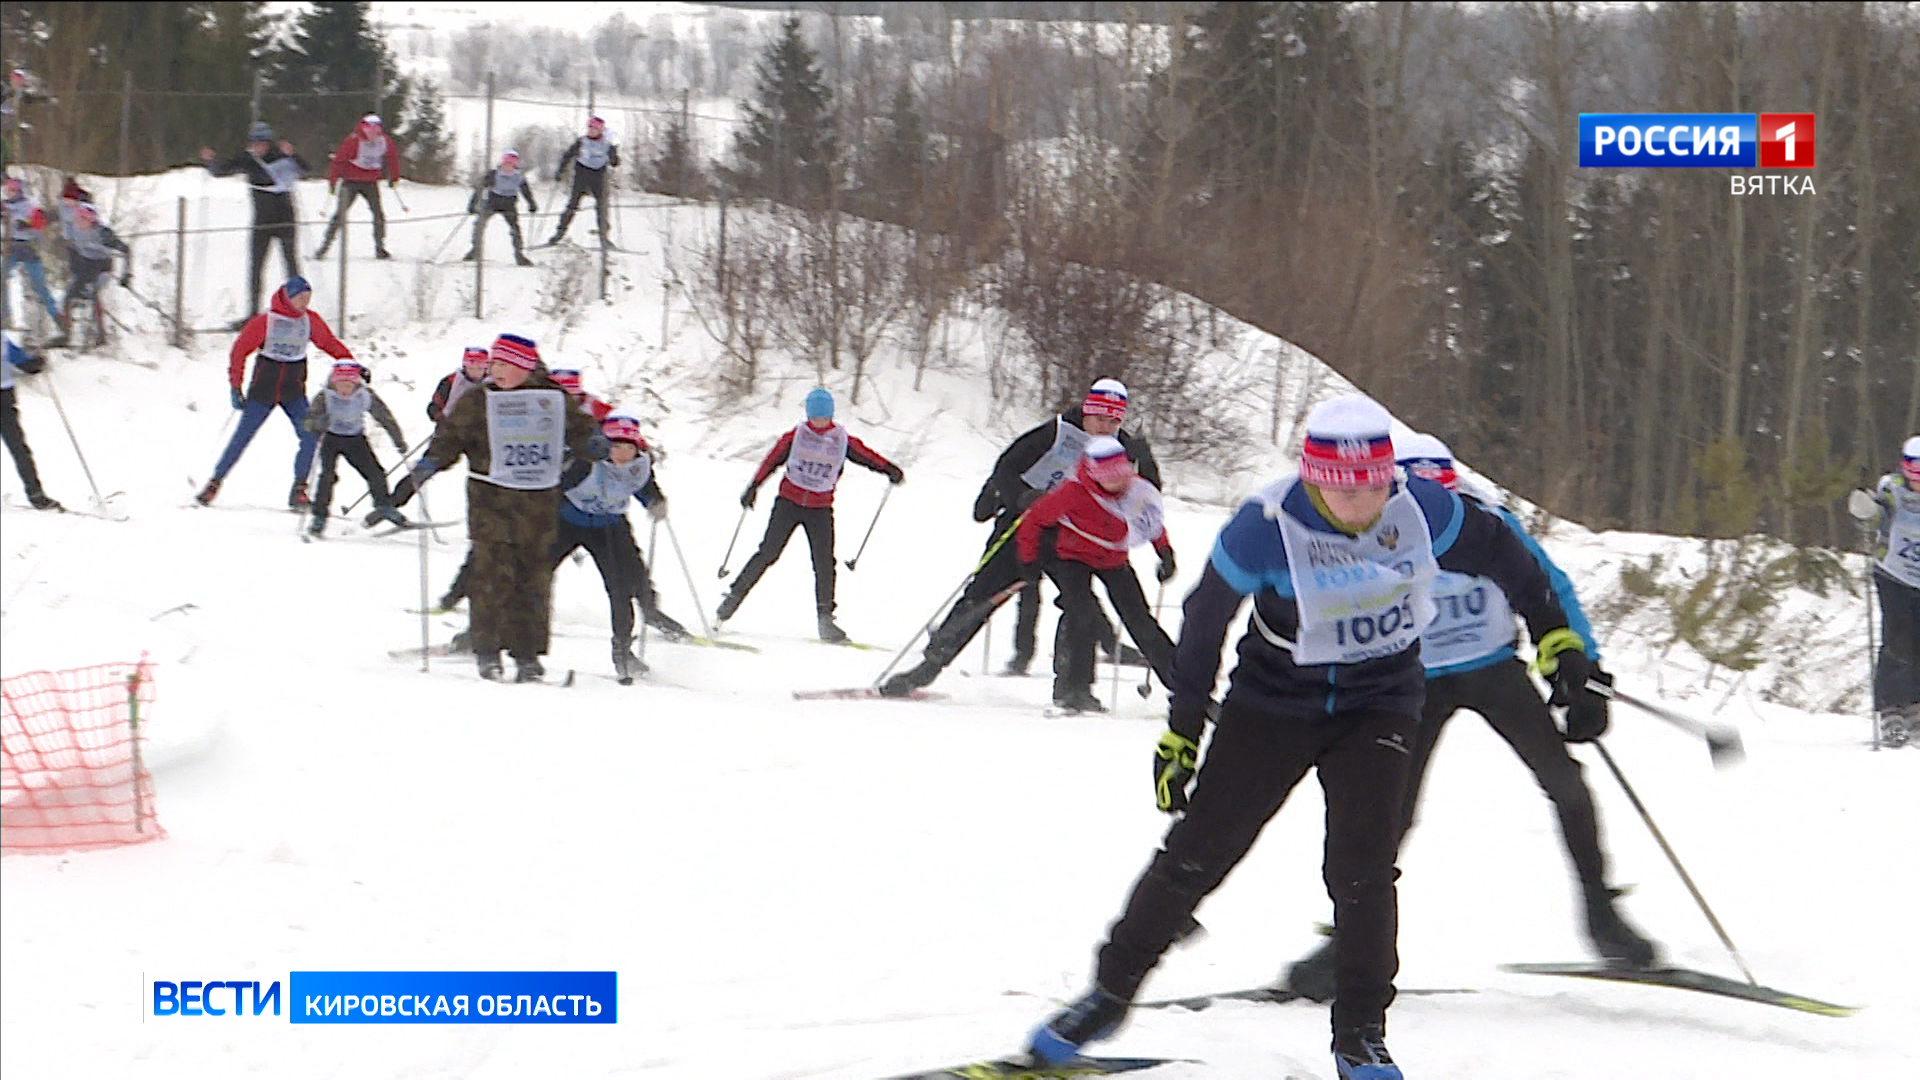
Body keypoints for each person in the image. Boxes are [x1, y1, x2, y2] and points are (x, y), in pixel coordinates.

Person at [1026, 395, 1600, 1080]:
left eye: (1371, 486)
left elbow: (1518, 564)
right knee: (1200, 850)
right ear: (1310, 477)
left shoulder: (1426, 510)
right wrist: (1182, 734)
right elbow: (1205, 627)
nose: (1358, 502)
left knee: (1363, 868)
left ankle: (1361, 1032)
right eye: (1337, 486)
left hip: (1379, 702)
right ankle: (1109, 993)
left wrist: (1561, 648)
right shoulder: (1265, 526)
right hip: (1274, 703)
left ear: (1391, 476)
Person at [1282, 432, 1654, 1005]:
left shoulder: (1485, 518)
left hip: (1494, 669)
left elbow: (1548, 585)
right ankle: (1345, 946)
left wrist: (1579, 665)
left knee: (1567, 784)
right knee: (1389, 812)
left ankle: (1603, 916)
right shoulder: (1371, 524)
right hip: (1416, 680)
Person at [881, 378, 1156, 697]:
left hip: (1071, 535)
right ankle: (928, 667)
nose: (1105, 428)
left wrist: (1146, 462)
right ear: (1086, 411)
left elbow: (1145, 495)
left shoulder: (1120, 447)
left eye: (1114, 421)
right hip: (1023, 524)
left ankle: (1073, 688)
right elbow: (1006, 468)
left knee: (1080, 605)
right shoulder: (1055, 432)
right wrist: (1021, 497)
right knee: (982, 595)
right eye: (1100, 419)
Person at [400, 333, 603, 682]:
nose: (497, 371)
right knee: (490, 577)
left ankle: (527, 655)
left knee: (534, 581)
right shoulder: (478, 400)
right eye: (494, 364)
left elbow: (580, 430)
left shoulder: (552, 399)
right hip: (490, 504)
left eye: (505, 365)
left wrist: (593, 443)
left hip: (538, 505)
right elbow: (451, 438)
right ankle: (487, 651)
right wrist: (429, 465)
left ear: (525, 368)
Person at [716, 387, 904, 644]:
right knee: (768, 553)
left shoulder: (841, 439)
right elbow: (772, 460)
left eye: (823, 418)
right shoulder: (796, 436)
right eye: (815, 418)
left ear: (830, 416)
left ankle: (826, 619)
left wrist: (888, 469)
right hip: (788, 503)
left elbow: (865, 456)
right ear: (808, 416)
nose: (819, 423)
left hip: (820, 507)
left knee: (824, 562)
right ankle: (731, 601)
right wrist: (754, 486)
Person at [1015, 436, 1178, 712]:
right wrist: (1028, 561)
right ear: (1092, 473)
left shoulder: (1134, 490)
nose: (1117, 482)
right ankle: (1075, 689)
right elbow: (1034, 520)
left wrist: (1164, 552)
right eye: (1108, 476)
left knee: (1140, 621)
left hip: (1114, 559)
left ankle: (1184, 686)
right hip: (1073, 558)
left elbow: (1148, 521)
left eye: (1121, 474)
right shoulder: (1072, 492)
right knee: (1083, 617)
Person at [196, 276, 353, 510]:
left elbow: (329, 344)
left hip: (293, 391)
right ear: (288, 297)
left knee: (310, 435)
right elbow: (239, 351)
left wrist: (351, 366)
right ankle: (214, 483)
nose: (304, 303)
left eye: (308, 298)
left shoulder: (309, 320)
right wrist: (235, 386)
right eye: (300, 298)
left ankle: (299, 489)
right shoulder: (266, 321)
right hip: (263, 390)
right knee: (242, 438)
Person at [552, 409, 684, 680]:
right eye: (614, 446)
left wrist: (656, 503)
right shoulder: (585, 462)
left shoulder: (640, 465)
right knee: (532, 575)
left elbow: (646, 488)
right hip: (568, 521)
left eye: (627, 447)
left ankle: (623, 652)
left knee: (622, 588)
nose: (620, 453)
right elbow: (554, 486)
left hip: (609, 526)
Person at [392, 346, 491, 608]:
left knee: (483, 480)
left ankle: (480, 528)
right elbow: (432, 407)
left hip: (481, 439)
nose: (476, 371)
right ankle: (393, 502)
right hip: (450, 434)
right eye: (472, 366)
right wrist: (442, 418)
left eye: (480, 366)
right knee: (427, 468)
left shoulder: (495, 382)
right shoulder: (450, 382)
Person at [201, 121, 309, 327]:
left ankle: (298, 311)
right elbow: (222, 169)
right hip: (261, 221)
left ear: (269, 143)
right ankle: (252, 313)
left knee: (291, 265)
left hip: (285, 218)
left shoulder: (281, 156)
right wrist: (210, 162)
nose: (257, 147)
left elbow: (305, 169)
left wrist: (293, 155)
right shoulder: (249, 159)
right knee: (256, 266)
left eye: (261, 143)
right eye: (254, 143)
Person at [1851, 436, 1920, 739]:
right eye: (1912, 467)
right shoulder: (1891, 489)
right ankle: (1892, 708)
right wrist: (1865, 512)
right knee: (1898, 640)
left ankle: (1916, 706)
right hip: (1895, 575)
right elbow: (1876, 520)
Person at [303, 358, 407, 537]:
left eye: (349, 385)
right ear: (333, 382)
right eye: (340, 385)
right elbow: (308, 422)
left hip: (355, 439)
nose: (344, 390)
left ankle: (383, 506)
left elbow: (385, 417)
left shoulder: (365, 395)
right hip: (331, 439)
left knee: (375, 473)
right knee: (327, 477)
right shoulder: (324, 396)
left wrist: (398, 440)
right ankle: (319, 517)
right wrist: (320, 423)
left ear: (356, 383)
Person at [315, 114, 399, 260]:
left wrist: (394, 177)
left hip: (371, 182)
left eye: (376, 128)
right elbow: (339, 161)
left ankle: (380, 248)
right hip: (350, 183)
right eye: (369, 128)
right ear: (363, 128)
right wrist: (333, 181)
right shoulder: (353, 141)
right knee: (340, 214)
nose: (373, 132)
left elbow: (393, 158)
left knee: (378, 214)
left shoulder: (384, 141)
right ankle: (324, 247)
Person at [2, 331, 61, 510]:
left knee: (19, 448)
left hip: (4, 399)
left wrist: (34, 363)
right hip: (4, 399)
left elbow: (23, 362)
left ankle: (36, 494)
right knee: (18, 448)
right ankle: (36, 495)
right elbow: (23, 362)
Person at [4, 175, 66, 344]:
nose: (9, 193)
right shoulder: (4, 206)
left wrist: (28, 224)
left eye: (13, 190)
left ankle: (59, 319)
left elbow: (40, 222)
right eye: (8, 190)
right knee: (2, 280)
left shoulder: (29, 206)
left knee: (39, 287)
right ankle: (4, 317)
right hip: (11, 248)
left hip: (29, 248)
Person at [59, 202, 130, 338]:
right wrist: (74, 265)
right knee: (68, 296)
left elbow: (126, 250)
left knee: (93, 293)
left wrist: (126, 274)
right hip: (86, 266)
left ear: (90, 220)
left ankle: (101, 333)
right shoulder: (75, 231)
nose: (78, 223)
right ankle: (66, 334)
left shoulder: (103, 233)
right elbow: (72, 248)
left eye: (82, 220)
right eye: (77, 219)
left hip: (103, 267)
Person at [548, 116, 620, 248]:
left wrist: (613, 150)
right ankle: (558, 234)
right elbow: (568, 155)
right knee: (572, 206)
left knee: (602, 208)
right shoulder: (581, 142)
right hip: (582, 174)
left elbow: (615, 163)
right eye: (590, 128)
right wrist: (560, 171)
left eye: (595, 129)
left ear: (601, 130)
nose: (592, 131)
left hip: (599, 175)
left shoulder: (607, 143)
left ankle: (604, 238)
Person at [462, 151, 538, 266]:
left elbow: (526, 192)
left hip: (509, 204)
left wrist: (531, 204)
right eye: (505, 163)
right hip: (493, 202)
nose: (507, 167)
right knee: (479, 225)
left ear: (514, 165)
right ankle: (475, 250)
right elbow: (479, 188)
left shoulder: (519, 177)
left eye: (510, 164)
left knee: (515, 230)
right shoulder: (493, 174)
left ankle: (519, 255)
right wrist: (472, 205)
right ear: (502, 163)